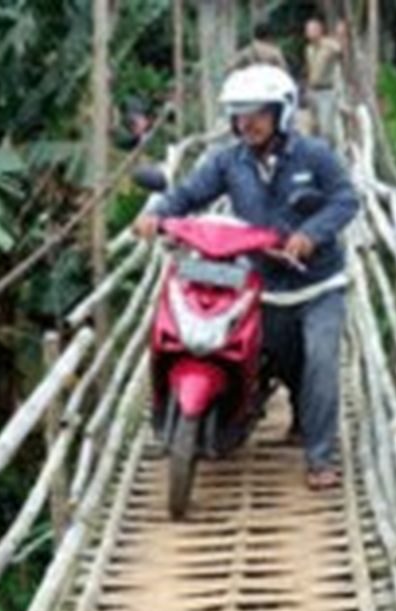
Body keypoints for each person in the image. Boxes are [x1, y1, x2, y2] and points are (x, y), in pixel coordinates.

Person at [134, 65, 359, 490]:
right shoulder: (228, 161)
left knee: (322, 362)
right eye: (238, 114)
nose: (246, 123)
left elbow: (346, 198)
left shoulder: (315, 156)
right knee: (276, 359)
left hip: (318, 285)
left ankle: (319, 457)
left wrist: (311, 234)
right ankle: (216, 422)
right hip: (263, 285)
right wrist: (157, 213)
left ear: (281, 112)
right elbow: (189, 193)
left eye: (256, 112)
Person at [303, 17, 343, 146]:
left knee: (326, 128)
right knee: (314, 127)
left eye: (312, 29)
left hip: (326, 91)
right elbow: (311, 70)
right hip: (313, 91)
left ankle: (330, 154)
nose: (309, 33)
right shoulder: (308, 49)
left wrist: (341, 35)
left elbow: (340, 51)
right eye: (308, 30)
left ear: (320, 30)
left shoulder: (330, 46)